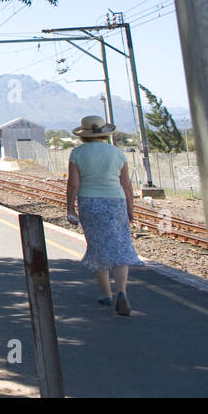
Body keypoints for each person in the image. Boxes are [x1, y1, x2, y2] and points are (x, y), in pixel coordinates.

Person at [64, 115, 141, 316]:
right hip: (116, 201)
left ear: (84, 135)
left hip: (90, 201)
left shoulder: (77, 153)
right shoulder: (117, 153)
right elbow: (126, 184)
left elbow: (73, 184)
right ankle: (122, 292)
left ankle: (107, 294)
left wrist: (70, 208)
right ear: (105, 133)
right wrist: (130, 208)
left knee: (97, 246)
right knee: (120, 244)